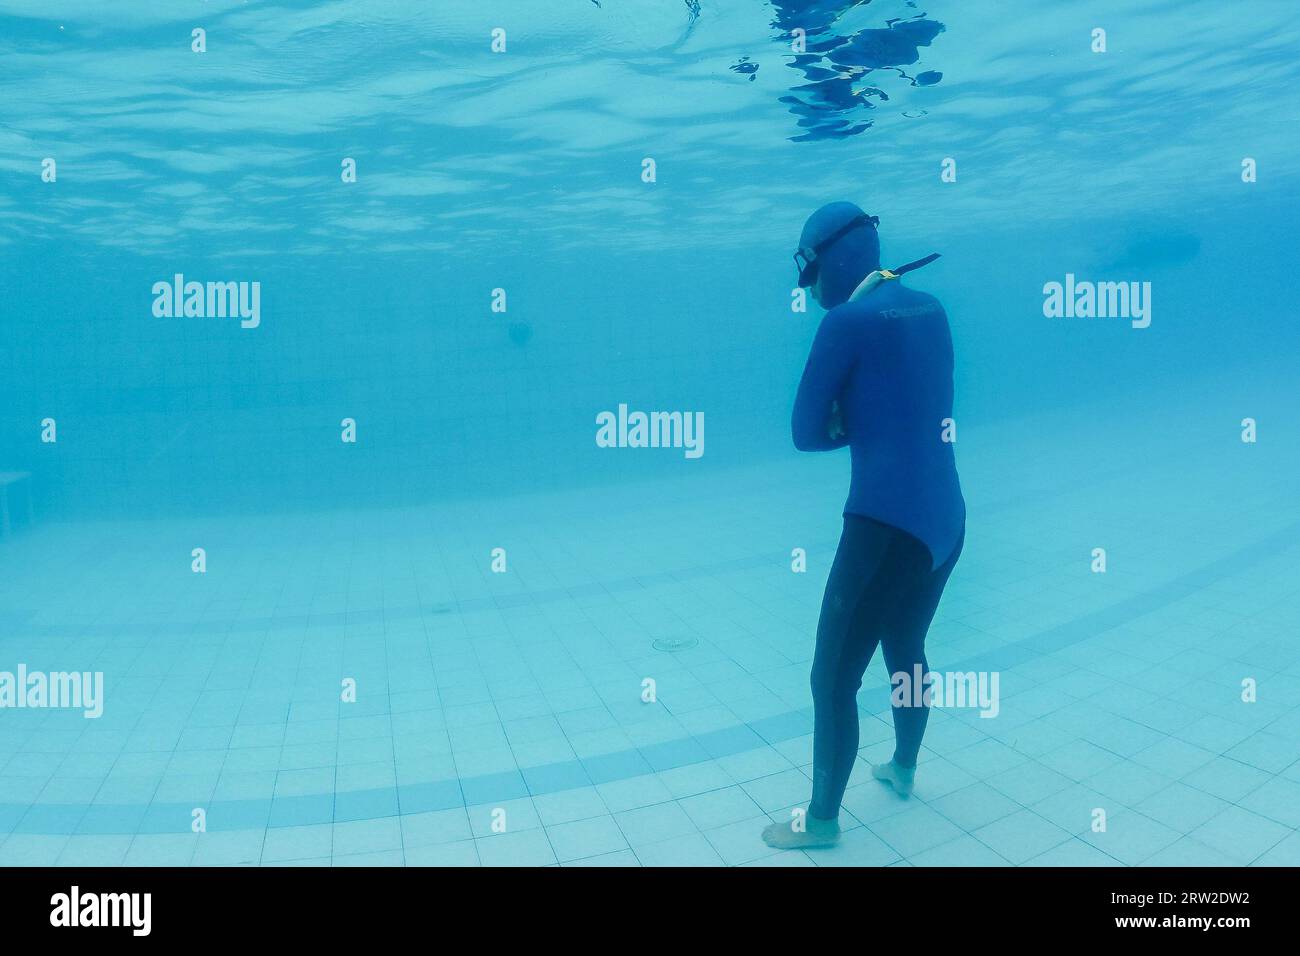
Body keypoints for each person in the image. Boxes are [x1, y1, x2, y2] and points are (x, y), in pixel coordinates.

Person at [763, 201, 966, 850]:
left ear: (834, 255)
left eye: (809, 265)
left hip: (882, 528)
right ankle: (903, 769)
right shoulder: (931, 308)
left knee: (832, 679)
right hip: (947, 521)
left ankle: (821, 822)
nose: (808, 282)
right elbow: (928, 405)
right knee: (906, 646)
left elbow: (803, 432)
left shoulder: (846, 323)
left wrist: (854, 426)